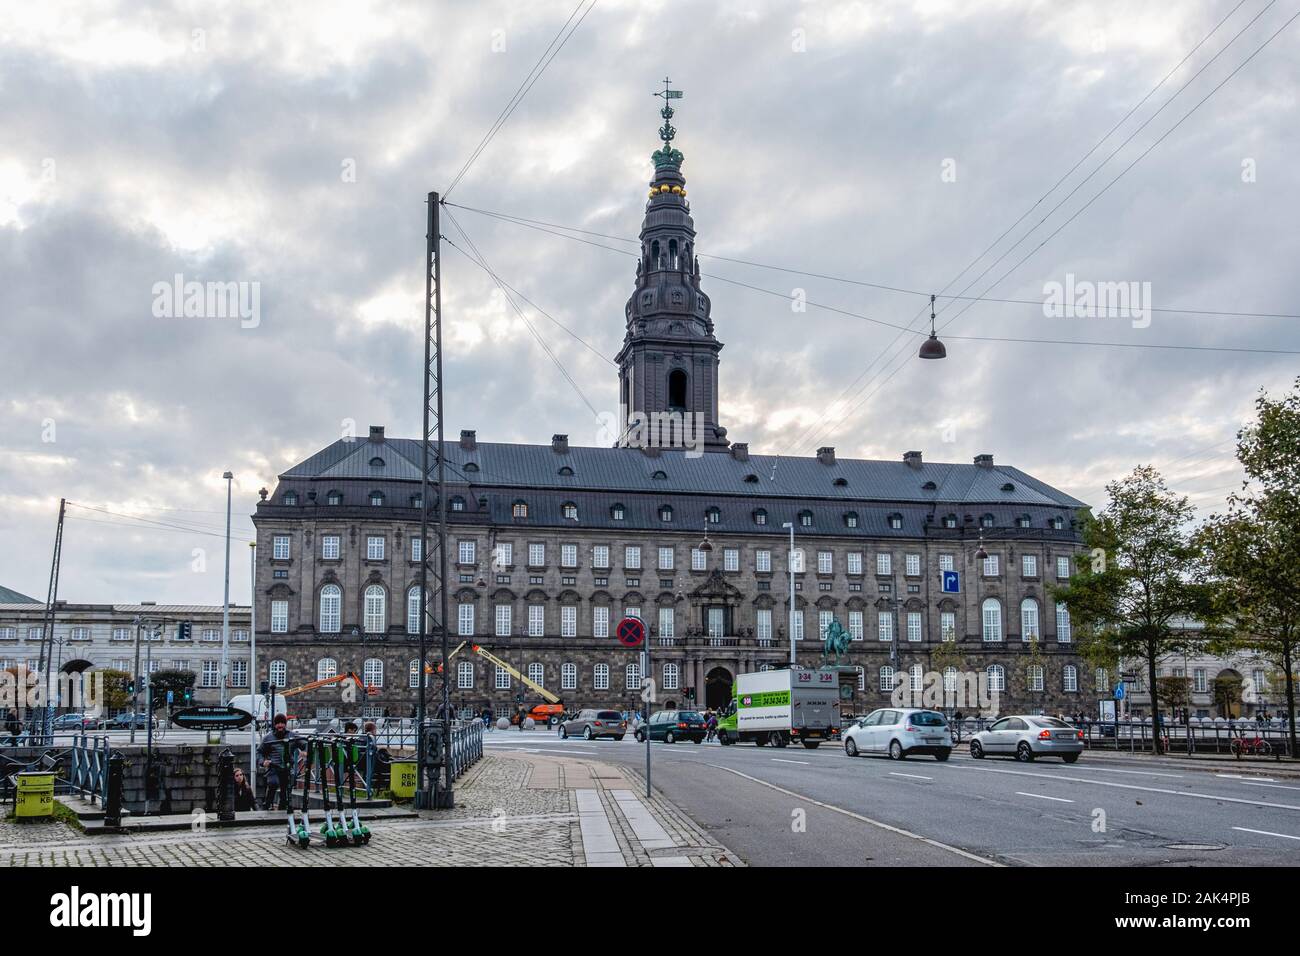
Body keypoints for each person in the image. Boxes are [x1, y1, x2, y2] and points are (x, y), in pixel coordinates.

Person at [260, 713, 301, 811]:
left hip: (286, 767)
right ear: (274, 725)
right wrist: (262, 761)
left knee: (286, 789)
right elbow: (259, 752)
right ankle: (267, 806)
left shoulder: (292, 735)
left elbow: (304, 743)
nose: (280, 725)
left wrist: (305, 751)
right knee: (273, 783)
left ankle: (282, 809)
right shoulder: (268, 738)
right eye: (278, 723)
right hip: (273, 767)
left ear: (285, 724)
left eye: (282, 723)